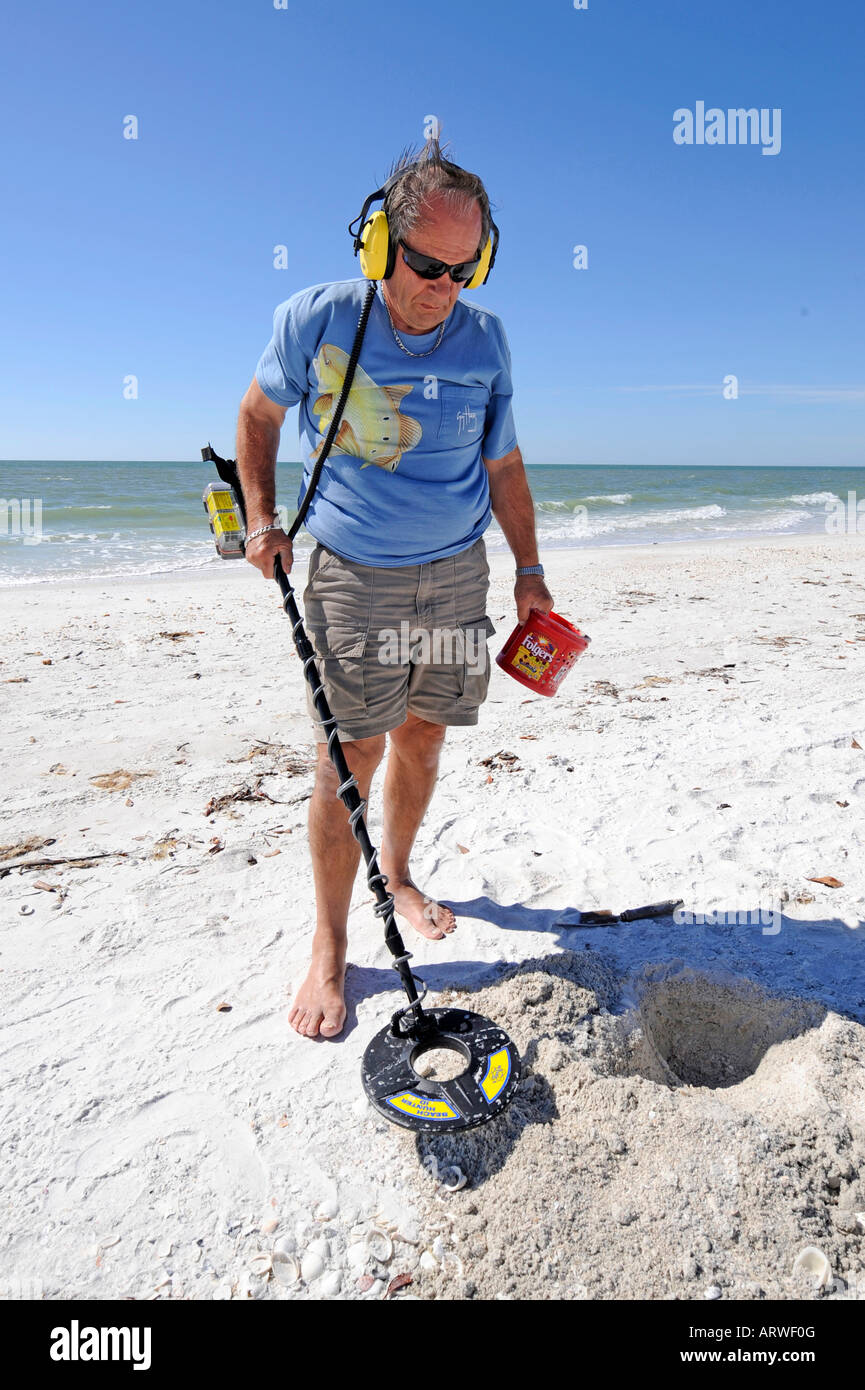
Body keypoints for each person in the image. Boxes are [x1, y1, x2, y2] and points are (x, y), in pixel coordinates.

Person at [236, 141, 553, 1039]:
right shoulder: (317, 320)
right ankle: (331, 945)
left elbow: (506, 462)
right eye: (425, 265)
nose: (442, 287)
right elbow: (258, 416)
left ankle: (402, 875)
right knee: (351, 760)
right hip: (350, 580)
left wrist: (529, 573)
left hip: (458, 575)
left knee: (421, 739)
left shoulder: (486, 340)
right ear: (378, 247)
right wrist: (262, 520)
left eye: (464, 269)